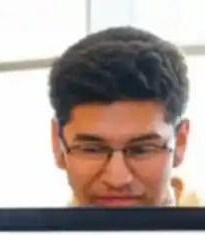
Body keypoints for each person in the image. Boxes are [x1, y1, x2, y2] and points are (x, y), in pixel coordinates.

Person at [49, 26, 191, 208]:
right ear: (57, 144)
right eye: (92, 149)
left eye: (142, 150)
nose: (117, 180)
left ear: (180, 142)